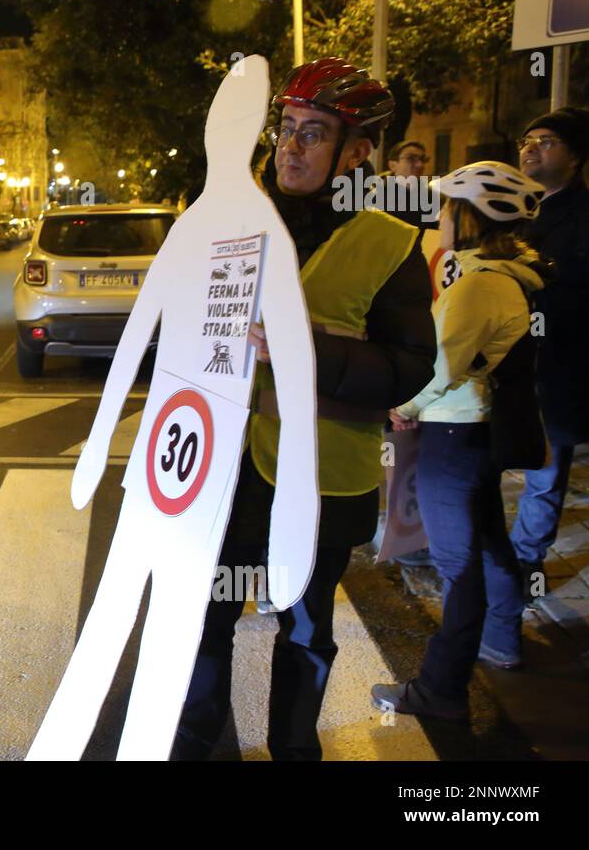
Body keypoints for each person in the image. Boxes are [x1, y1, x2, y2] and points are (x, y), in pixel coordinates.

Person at [172, 57, 437, 760]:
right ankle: (196, 739)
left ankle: (294, 750)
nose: (290, 147)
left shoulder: (390, 244)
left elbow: (411, 367)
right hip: (222, 471)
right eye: (286, 128)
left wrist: (307, 348)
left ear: (356, 152)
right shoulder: (233, 224)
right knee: (207, 617)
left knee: (307, 630)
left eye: (312, 134)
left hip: (321, 476)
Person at [372, 162, 548, 718]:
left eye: (447, 207)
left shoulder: (479, 286)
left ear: (470, 217)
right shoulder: (500, 278)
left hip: (453, 435)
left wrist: (402, 407)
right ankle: (502, 639)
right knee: (489, 544)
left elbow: (441, 365)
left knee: (458, 564)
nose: (439, 217)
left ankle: (442, 689)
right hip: (474, 431)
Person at [510, 107, 589, 604]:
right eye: (527, 139)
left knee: (545, 471)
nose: (531, 148)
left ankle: (524, 563)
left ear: (575, 158)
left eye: (546, 141)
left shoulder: (581, 216)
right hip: (504, 361)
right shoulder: (513, 207)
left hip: (556, 366)